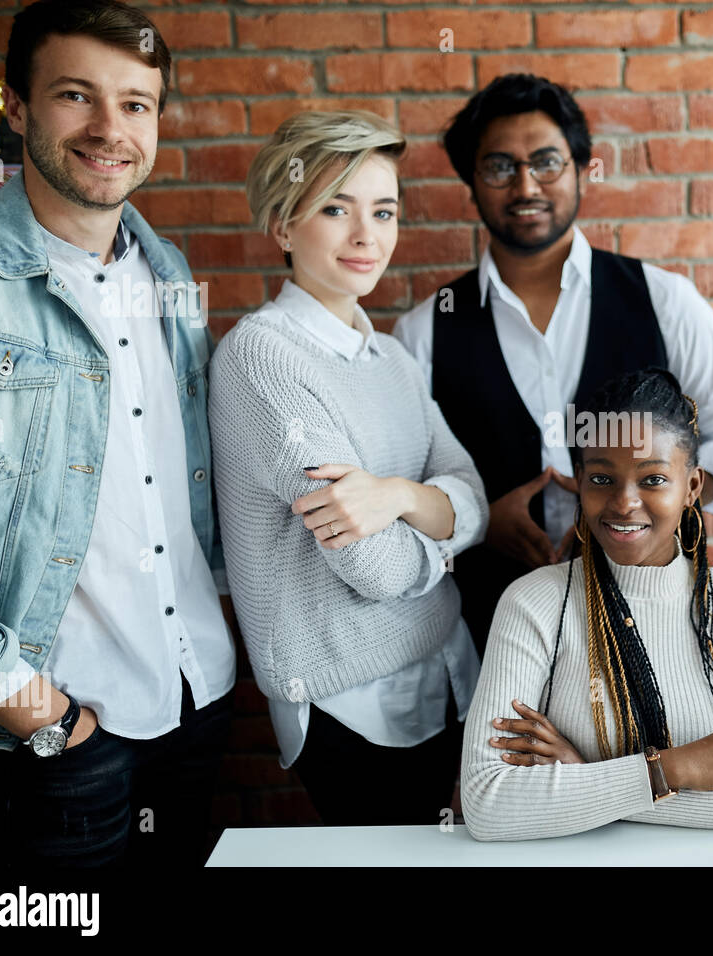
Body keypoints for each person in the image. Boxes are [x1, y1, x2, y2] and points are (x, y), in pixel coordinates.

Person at [0, 0, 236, 866]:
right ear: (20, 112)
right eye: (77, 96)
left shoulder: (168, 270)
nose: (111, 129)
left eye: (136, 103)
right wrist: (33, 709)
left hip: (194, 702)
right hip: (44, 737)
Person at [207, 110, 489, 826]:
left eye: (383, 211)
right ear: (282, 226)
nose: (368, 236)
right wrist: (441, 526)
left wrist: (395, 495)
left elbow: (476, 495)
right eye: (336, 209)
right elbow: (379, 571)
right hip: (350, 704)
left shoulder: (388, 356)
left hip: (449, 676)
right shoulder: (260, 359)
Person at [392, 74, 713, 659]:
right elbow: (402, 492)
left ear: (579, 167)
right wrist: (473, 521)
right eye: (499, 166)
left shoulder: (666, 301)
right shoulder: (424, 331)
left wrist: (639, 512)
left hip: (654, 629)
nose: (526, 183)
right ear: (471, 183)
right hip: (488, 637)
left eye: (546, 161)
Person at [459, 368, 713, 841]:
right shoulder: (533, 603)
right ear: (580, 482)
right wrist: (673, 769)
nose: (625, 503)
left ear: (692, 487)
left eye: (653, 478)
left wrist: (585, 776)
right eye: (601, 478)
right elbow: (488, 802)